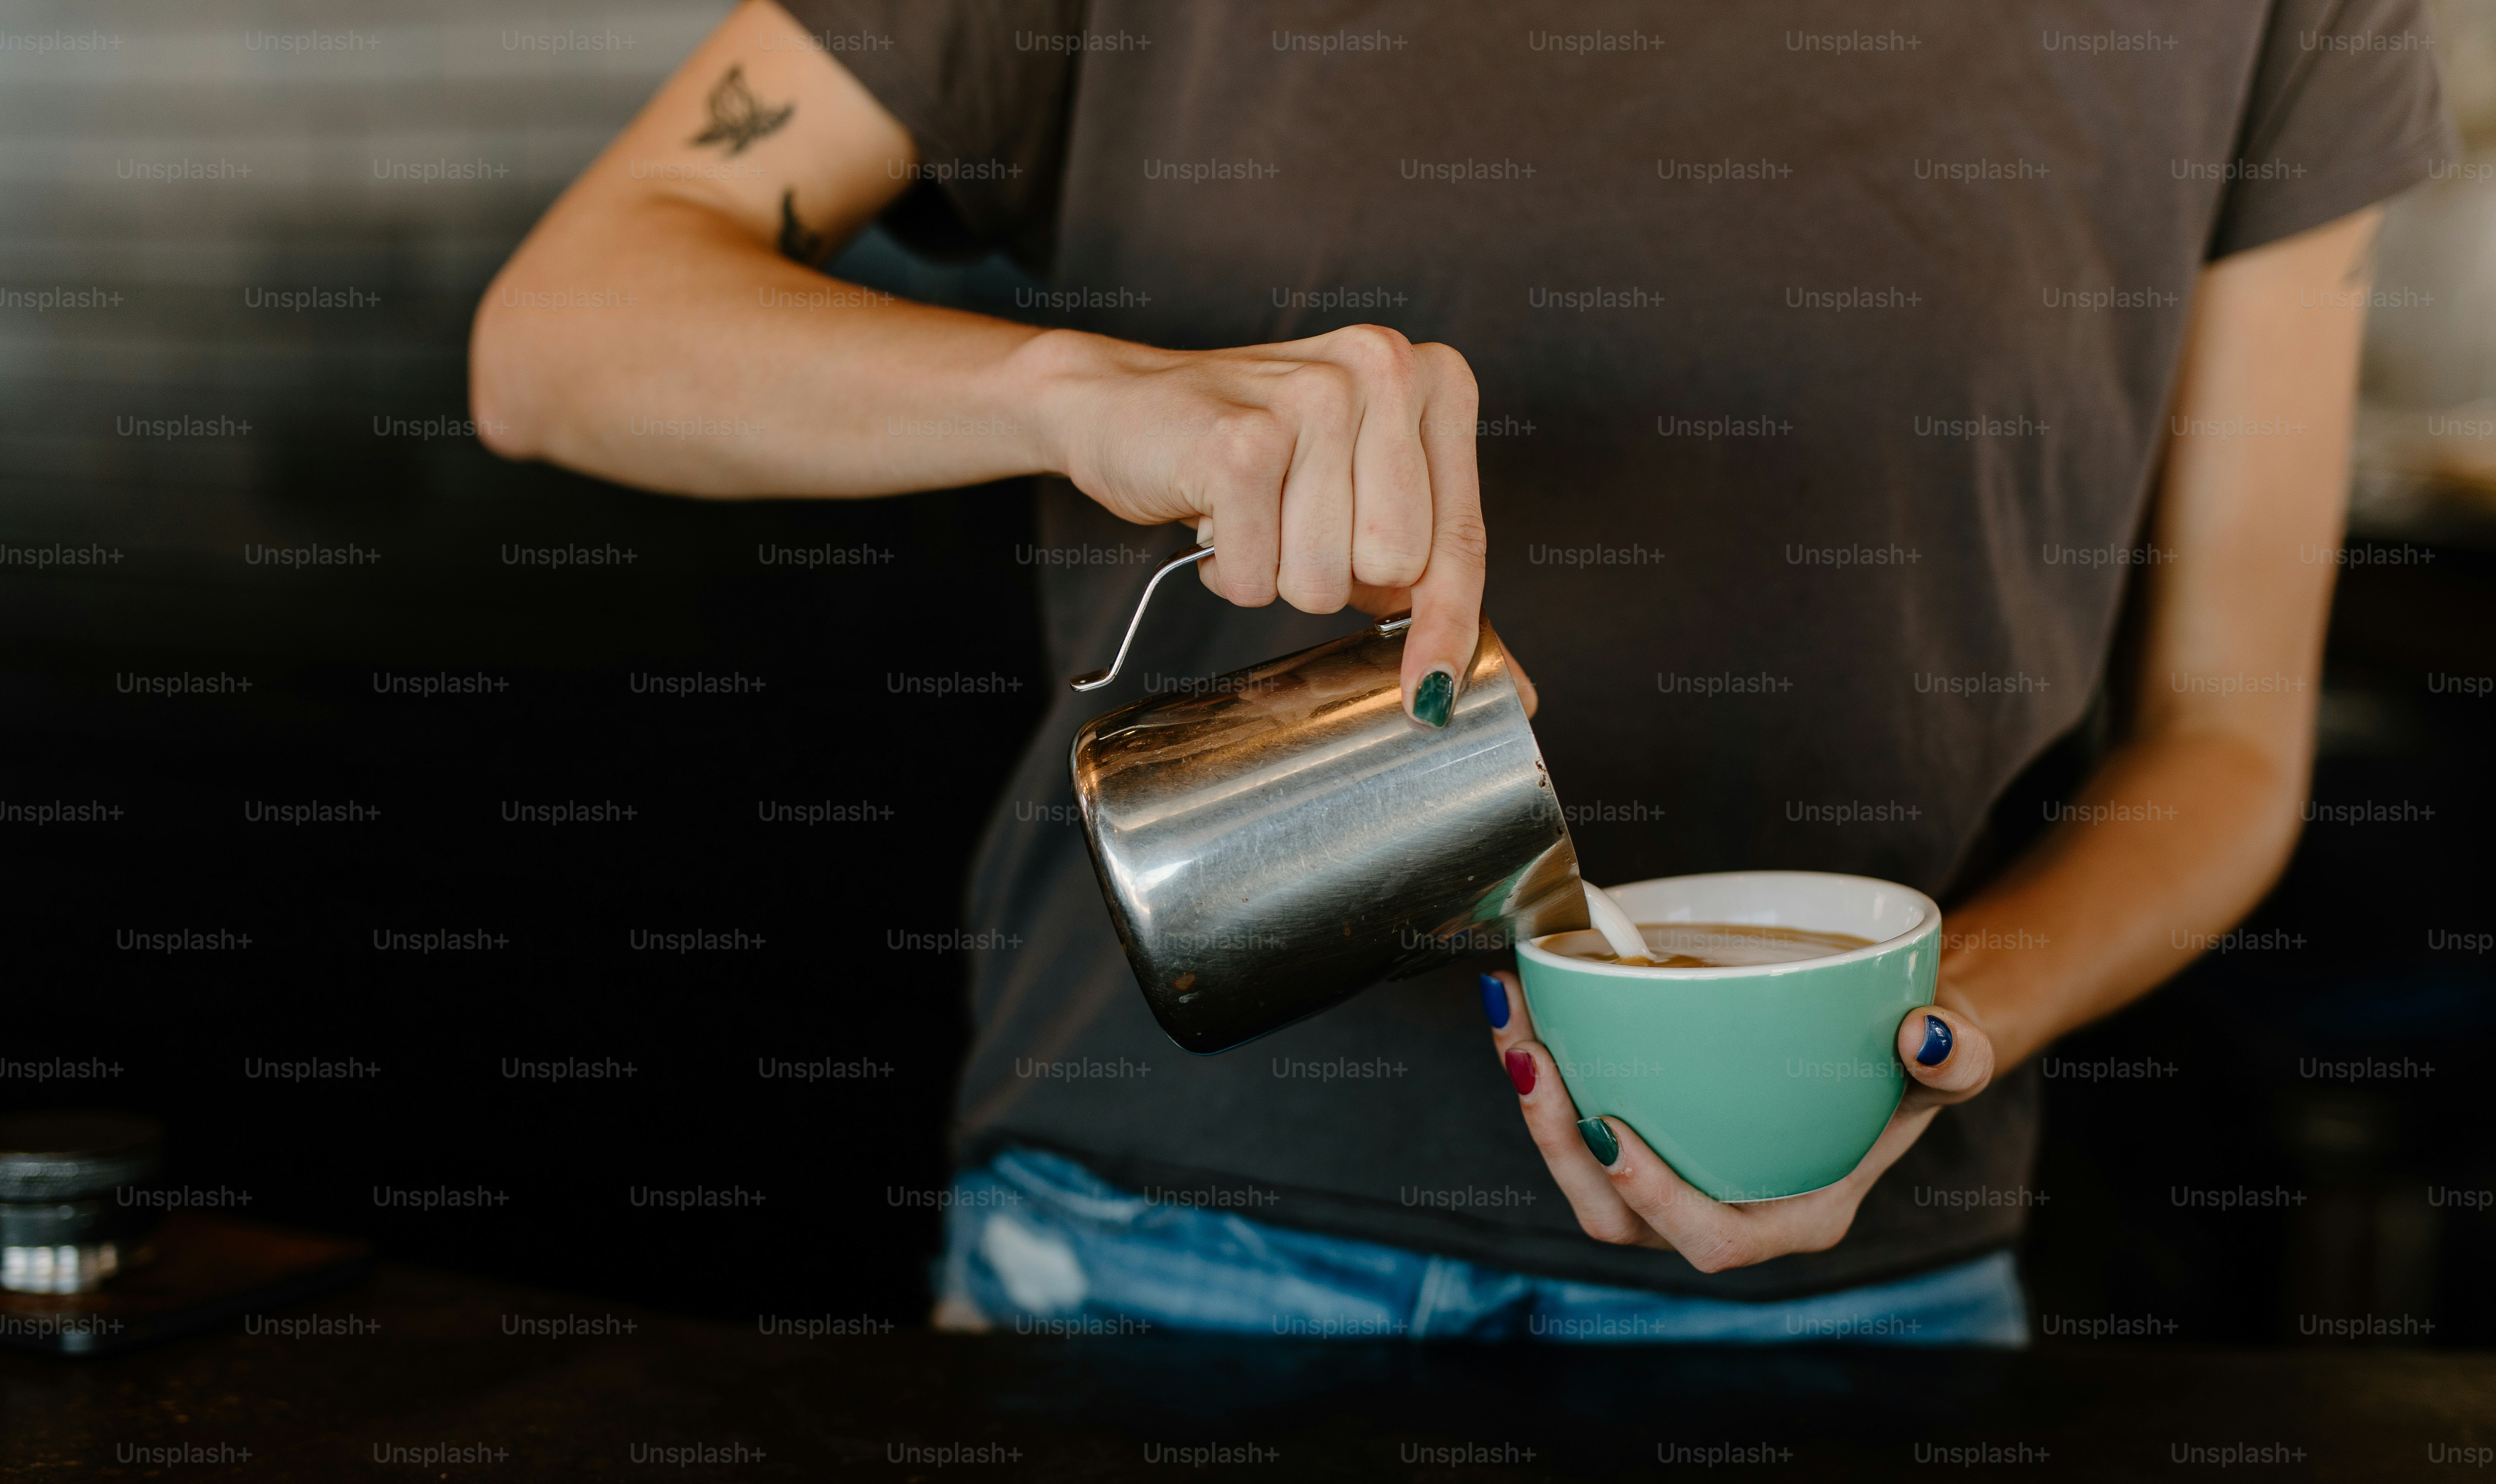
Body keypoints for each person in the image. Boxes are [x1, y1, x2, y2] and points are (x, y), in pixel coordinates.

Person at [472, 2, 2455, 1343]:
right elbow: (563, 331)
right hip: (1168, 1257)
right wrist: (1094, 397)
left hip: (1852, 1311)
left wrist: (1934, 1033)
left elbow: (2226, 746)